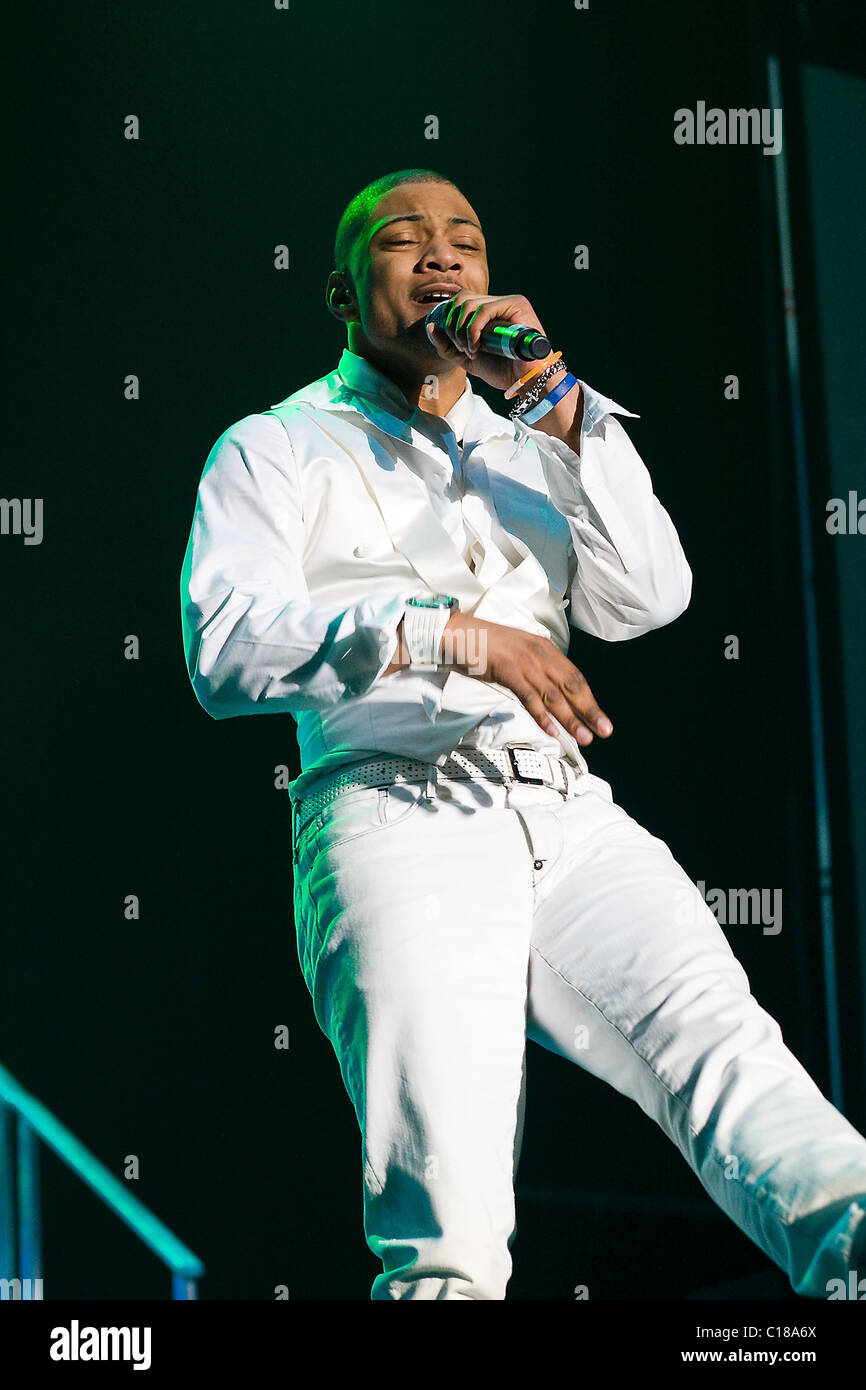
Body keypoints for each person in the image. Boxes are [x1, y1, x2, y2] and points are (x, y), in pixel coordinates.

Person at [180, 167, 866, 1301]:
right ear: (345, 295)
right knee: (449, 1219)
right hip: (392, 805)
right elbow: (226, 646)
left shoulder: (530, 445)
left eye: (467, 240)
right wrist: (449, 636)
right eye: (405, 241)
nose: (443, 256)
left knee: (734, 1059)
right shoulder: (275, 445)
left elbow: (650, 595)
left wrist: (556, 403)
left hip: (564, 810)